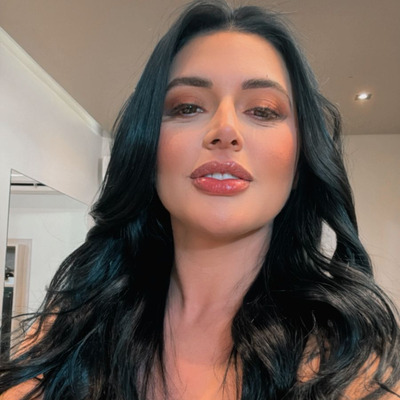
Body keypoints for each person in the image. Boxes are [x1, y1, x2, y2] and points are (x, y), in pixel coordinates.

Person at [1, 1, 400, 399]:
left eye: (263, 111)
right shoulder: (69, 332)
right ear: (147, 151)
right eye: (187, 107)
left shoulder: (349, 368)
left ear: (300, 162)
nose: (225, 129)